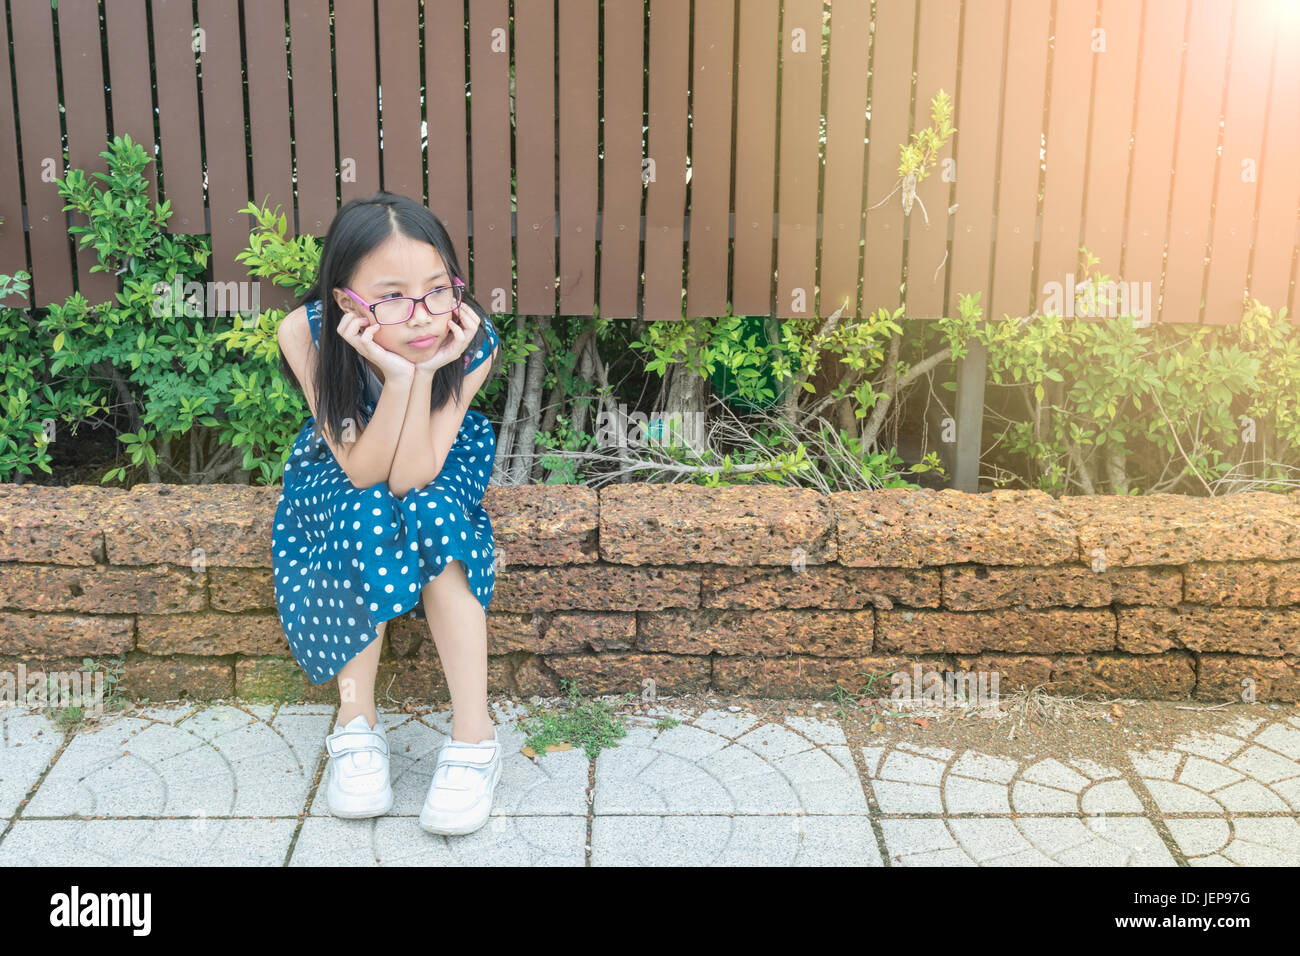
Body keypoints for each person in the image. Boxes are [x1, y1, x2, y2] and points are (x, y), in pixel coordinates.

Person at [272, 191, 503, 836]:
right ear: (346, 300)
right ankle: (355, 723)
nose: (423, 314)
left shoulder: (469, 335)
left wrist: (423, 372)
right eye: (393, 295)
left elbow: (413, 473)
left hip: (436, 455)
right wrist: (393, 382)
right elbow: (366, 472)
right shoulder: (305, 332)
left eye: (437, 288)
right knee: (359, 513)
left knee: (434, 515)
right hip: (344, 461)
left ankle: (474, 738)